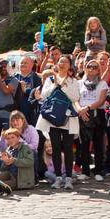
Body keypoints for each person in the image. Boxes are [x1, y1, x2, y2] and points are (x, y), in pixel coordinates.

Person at [36, 56, 81, 189]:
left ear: (70, 66)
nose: (62, 64)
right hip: (52, 117)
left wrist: (63, 86)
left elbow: (75, 97)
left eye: (65, 62)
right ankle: (58, 177)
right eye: (61, 61)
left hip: (68, 117)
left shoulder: (74, 81)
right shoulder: (50, 80)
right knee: (55, 147)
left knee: (68, 148)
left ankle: (68, 177)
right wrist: (56, 84)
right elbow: (44, 96)